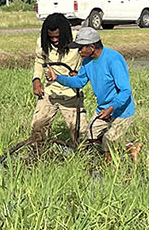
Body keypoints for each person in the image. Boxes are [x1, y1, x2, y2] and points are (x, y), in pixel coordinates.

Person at [44, 27, 140, 161]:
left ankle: (109, 169)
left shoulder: (114, 60)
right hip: (103, 109)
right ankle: (129, 147)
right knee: (91, 135)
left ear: (91, 47)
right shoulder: (87, 62)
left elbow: (126, 90)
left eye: (81, 48)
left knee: (109, 139)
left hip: (121, 110)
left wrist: (111, 108)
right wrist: (57, 78)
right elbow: (79, 82)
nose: (78, 52)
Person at [29, 12, 88, 149]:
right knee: (38, 127)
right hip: (50, 92)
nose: (55, 40)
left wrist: (79, 73)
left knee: (79, 131)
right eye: (51, 38)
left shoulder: (78, 39)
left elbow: (89, 58)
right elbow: (39, 60)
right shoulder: (42, 43)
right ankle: (38, 155)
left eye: (57, 37)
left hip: (71, 93)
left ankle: (82, 157)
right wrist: (36, 79)